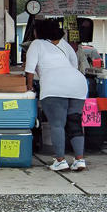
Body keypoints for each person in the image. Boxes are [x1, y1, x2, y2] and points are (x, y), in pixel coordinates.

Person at [24, 19, 89, 172]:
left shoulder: (37, 44)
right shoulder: (65, 45)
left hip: (54, 86)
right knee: (75, 122)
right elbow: (73, 65)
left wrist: (29, 87)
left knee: (57, 124)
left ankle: (60, 160)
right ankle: (79, 159)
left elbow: (29, 69)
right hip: (78, 84)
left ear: (39, 32)